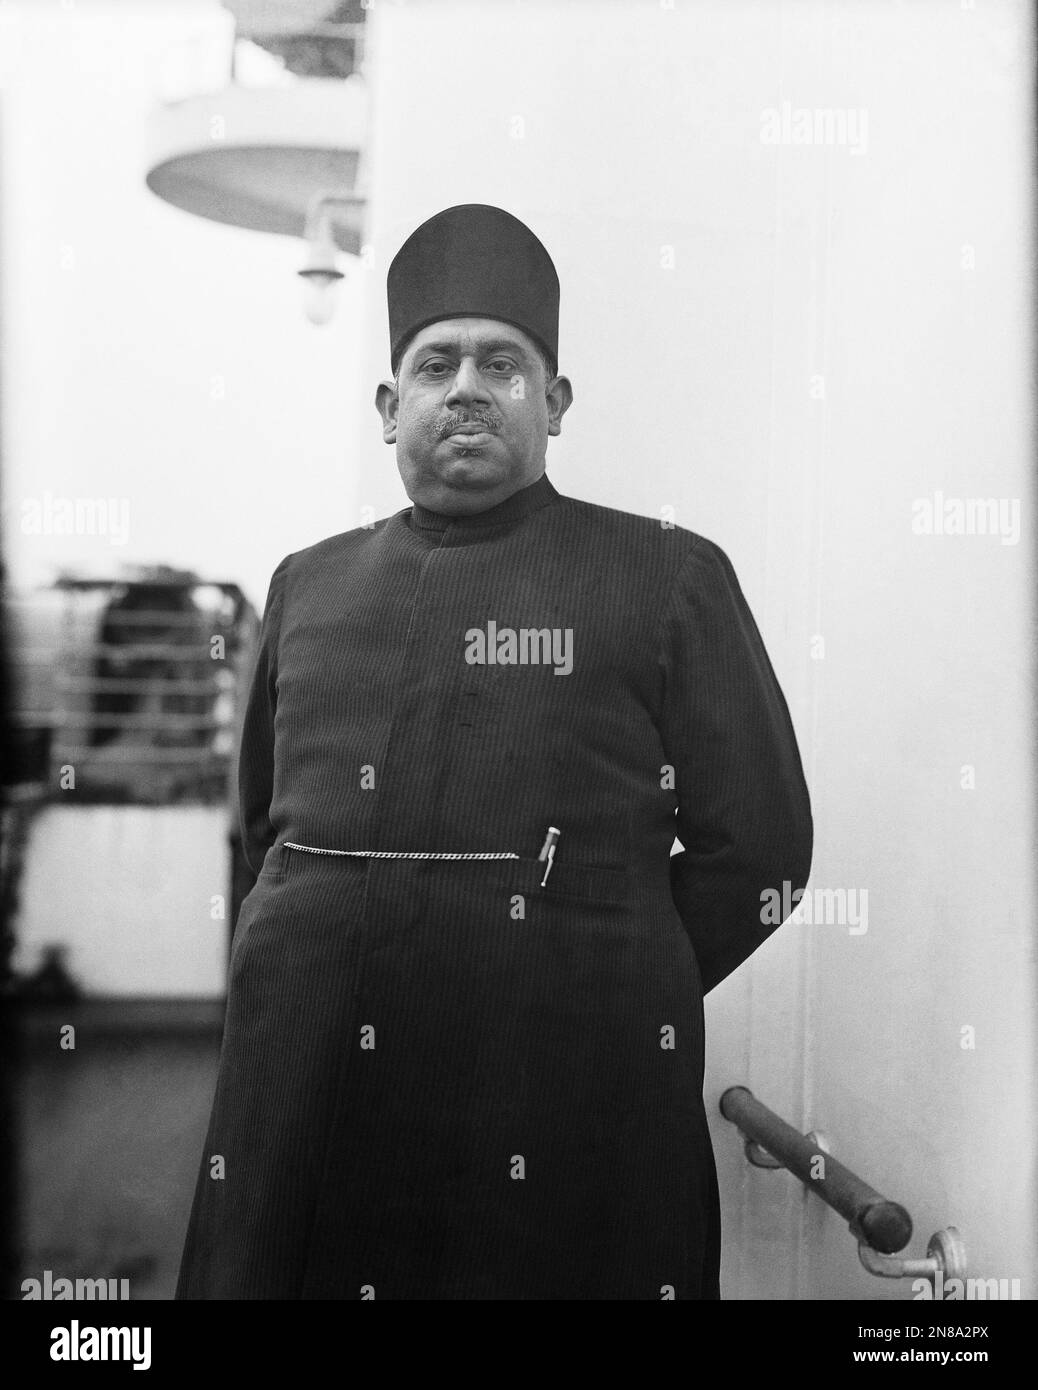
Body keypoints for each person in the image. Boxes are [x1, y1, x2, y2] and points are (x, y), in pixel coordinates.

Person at [176, 203, 812, 1300]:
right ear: (390, 408)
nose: (466, 386)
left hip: (566, 1104)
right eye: (435, 364)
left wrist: (608, 975)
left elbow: (761, 851)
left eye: (503, 363)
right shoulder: (306, 584)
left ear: (554, 403)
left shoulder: (667, 578)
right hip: (309, 1100)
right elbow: (260, 837)